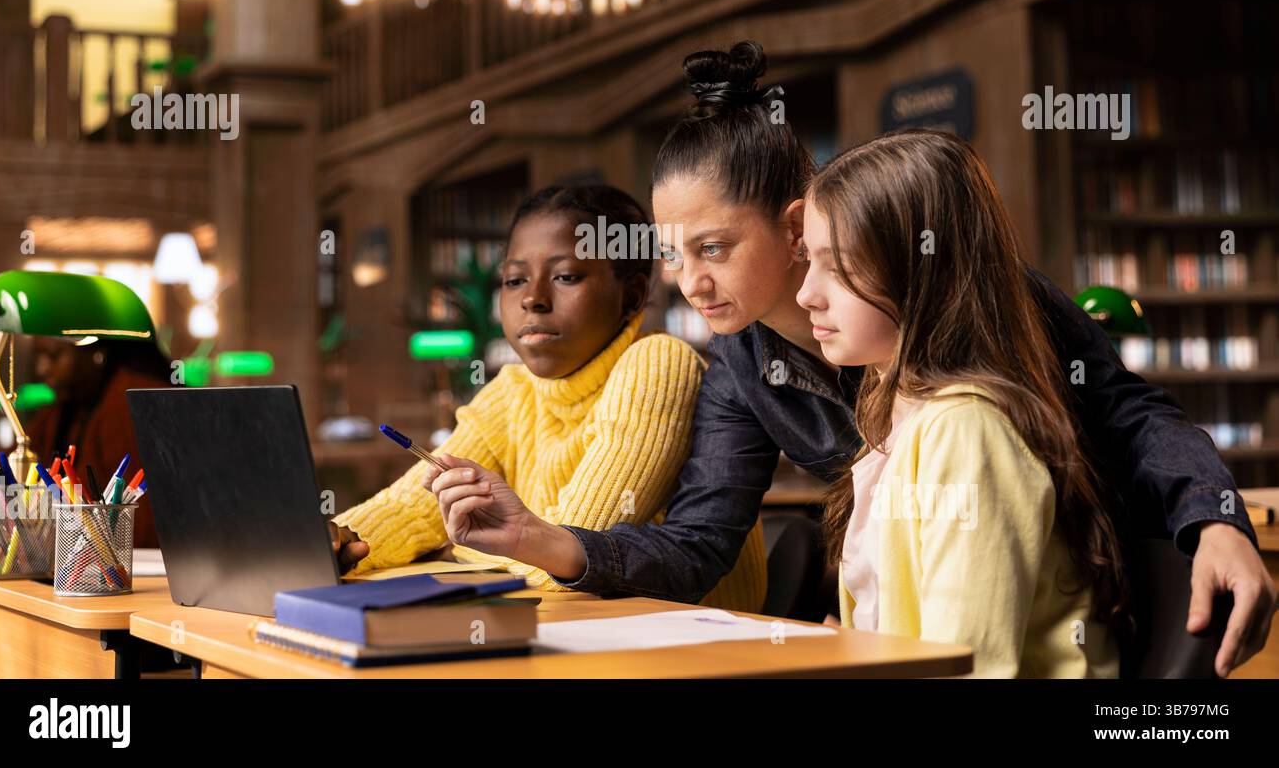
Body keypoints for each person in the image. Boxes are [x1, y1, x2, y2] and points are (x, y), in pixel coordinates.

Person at [424, 41, 1274, 675]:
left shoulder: (957, 334)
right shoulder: (743, 363)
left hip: (1082, 597)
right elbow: (698, 543)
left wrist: (1215, 517)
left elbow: (1125, 410)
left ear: (795, 226)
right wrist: (545, 540)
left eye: (714, 248)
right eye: (675, 255)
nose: (690, 283)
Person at [329, 183, 766, 612]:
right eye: (515, 279)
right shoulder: (513, 390)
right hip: (577, 632)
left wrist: (453, 551)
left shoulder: (656, 363)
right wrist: (339, 541)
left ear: (631, 295)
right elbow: (414, 506)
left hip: (691, 646)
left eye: (565, 277)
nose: (533, 299)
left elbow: (572, 547)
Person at [799, 129, 1122, 676]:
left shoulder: (966, 430)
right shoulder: (898, 418)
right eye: (809, 260)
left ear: (921, 270)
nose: (808, 292)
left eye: (839, 266)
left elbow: (968, 669)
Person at [25, 336, 174, 549]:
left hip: (127, 565)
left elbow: (141, 527)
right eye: (38, 356)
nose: (42, 369)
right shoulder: (66, 406)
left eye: (53, 355)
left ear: (96, 353)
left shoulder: (127, 403)